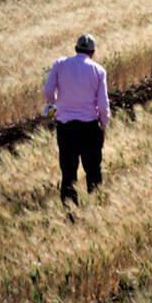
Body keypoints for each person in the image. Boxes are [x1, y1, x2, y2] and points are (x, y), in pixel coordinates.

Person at [43, 34, 110, 208]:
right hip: (89, 128)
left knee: (69, 174)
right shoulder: (99, 70)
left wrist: (56, 103)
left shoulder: (60, 64)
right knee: (94, 171)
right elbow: (103, 105)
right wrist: (103, 125)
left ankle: (69, 213)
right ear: (93, 52)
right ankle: (96, 209)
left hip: (66, 128)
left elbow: (48, 91)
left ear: (75, 49)